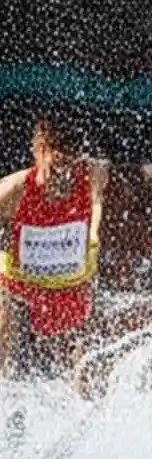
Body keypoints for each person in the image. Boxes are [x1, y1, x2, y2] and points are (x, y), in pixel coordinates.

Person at [0, 118, 108, 385]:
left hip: (71, 283)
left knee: (88, 346)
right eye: (54, 166)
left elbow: (102, 175)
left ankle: (85, 395)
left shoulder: (91, 176)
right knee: (4, 310)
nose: (59, 178)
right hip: (20, 282)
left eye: (67, 166)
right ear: (38, 151)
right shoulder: (15, 189)